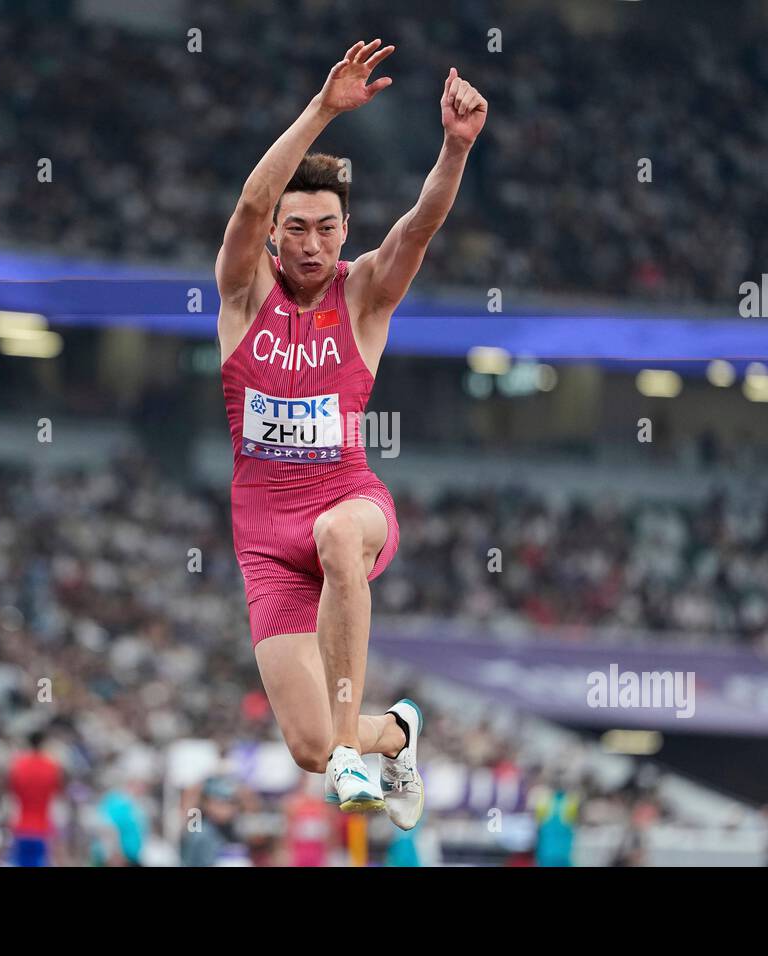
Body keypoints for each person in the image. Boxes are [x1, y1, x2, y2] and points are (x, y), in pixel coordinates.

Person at [215, 37, 487, 830]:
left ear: (343, 230)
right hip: (264, 540)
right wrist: (323, 110)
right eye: (294, 227)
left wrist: (455, 149)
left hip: (349, 500)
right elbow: (245, 204)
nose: (310, 243)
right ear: (274, 236)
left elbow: (421, 225)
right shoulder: (241, 296)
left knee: (338, 534)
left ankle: (347, 756)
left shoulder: (363, 296)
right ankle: (393, 734)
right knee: (302, 746)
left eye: (326, 228)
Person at [7, 730, 63, 867]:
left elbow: (13, 791)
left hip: (22, 825)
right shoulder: (52, 767)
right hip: (42, 826)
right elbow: (56, 791)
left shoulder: (18, 766)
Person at [90, 764, 148, 867]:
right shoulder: (118, 802)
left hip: (131, 858)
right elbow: (107, 829)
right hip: (118, 859)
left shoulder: (134, 803)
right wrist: (114, 855)